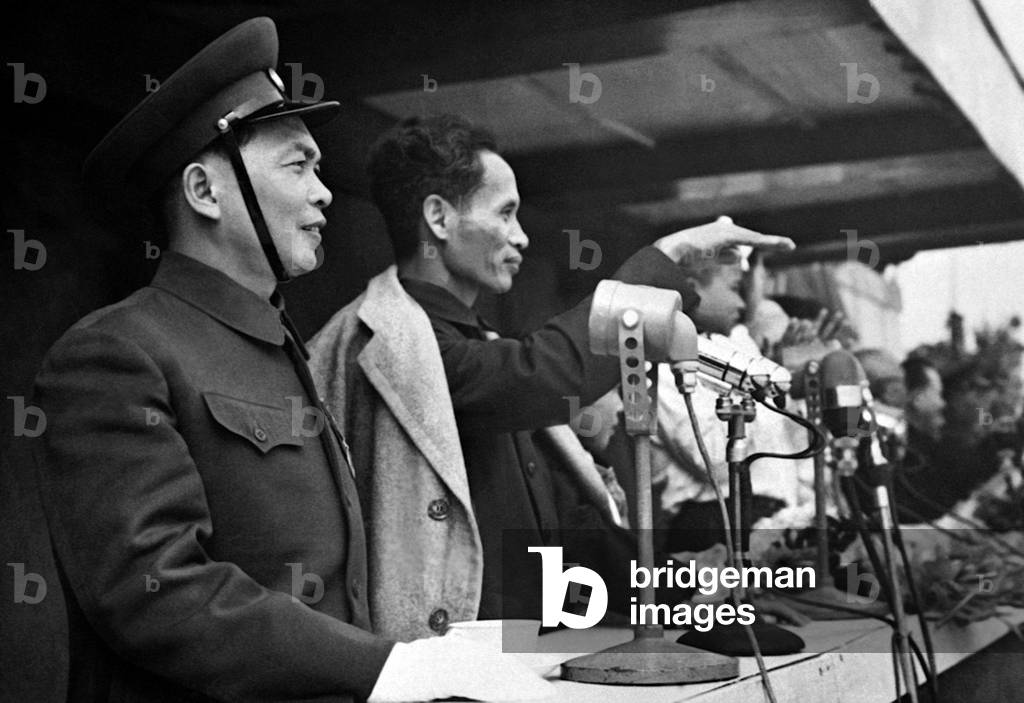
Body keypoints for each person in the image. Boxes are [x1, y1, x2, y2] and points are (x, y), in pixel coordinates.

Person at [29, 19, 550, 703]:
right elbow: (156, 592)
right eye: (297, 165)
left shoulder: (284, 350)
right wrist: (388, 667)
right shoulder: (117, 354)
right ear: (205, 192)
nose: (324, 191)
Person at [309, 114, 796, 632]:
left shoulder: (473, 345)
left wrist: (695, 593)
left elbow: (567, 533)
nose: (521, 237)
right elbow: (546, 375)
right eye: (505, 214)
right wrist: (667, 257)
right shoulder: (391, 344)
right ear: (439, 219)